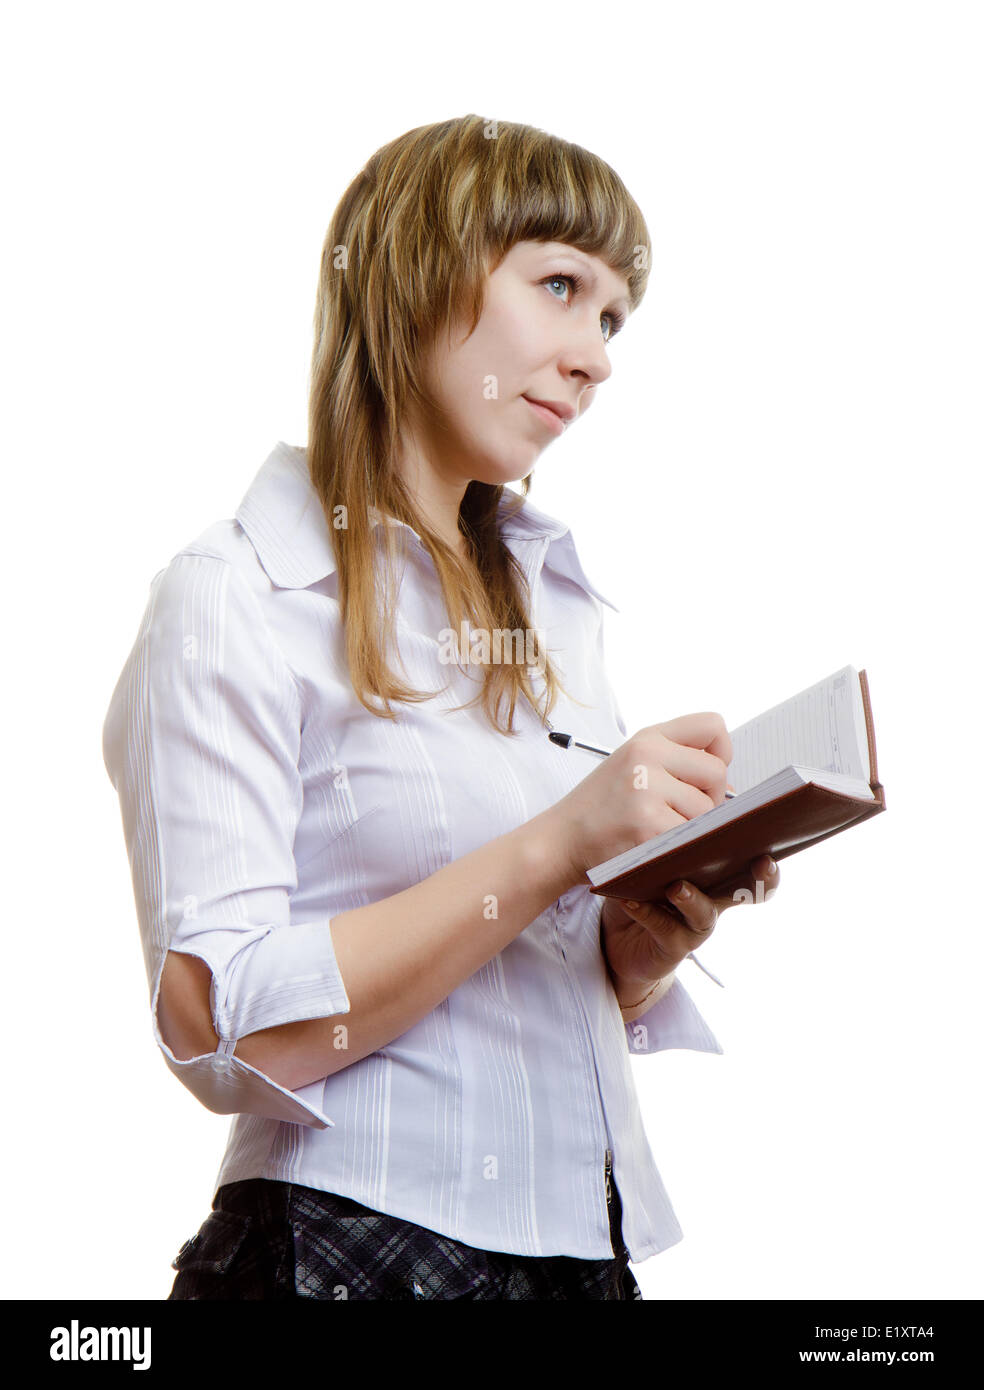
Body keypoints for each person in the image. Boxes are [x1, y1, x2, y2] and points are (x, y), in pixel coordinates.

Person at [101, 113, 780, 1301]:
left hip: (580, 1253)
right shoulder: (237, 593)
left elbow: (517, 960)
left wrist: (639, 946)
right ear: (419, 270)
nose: (597, 356)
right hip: (343, 1248)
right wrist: (557, 840)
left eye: (614, 317)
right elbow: (224, 1031)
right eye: (561, 286)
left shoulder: (554, 605)